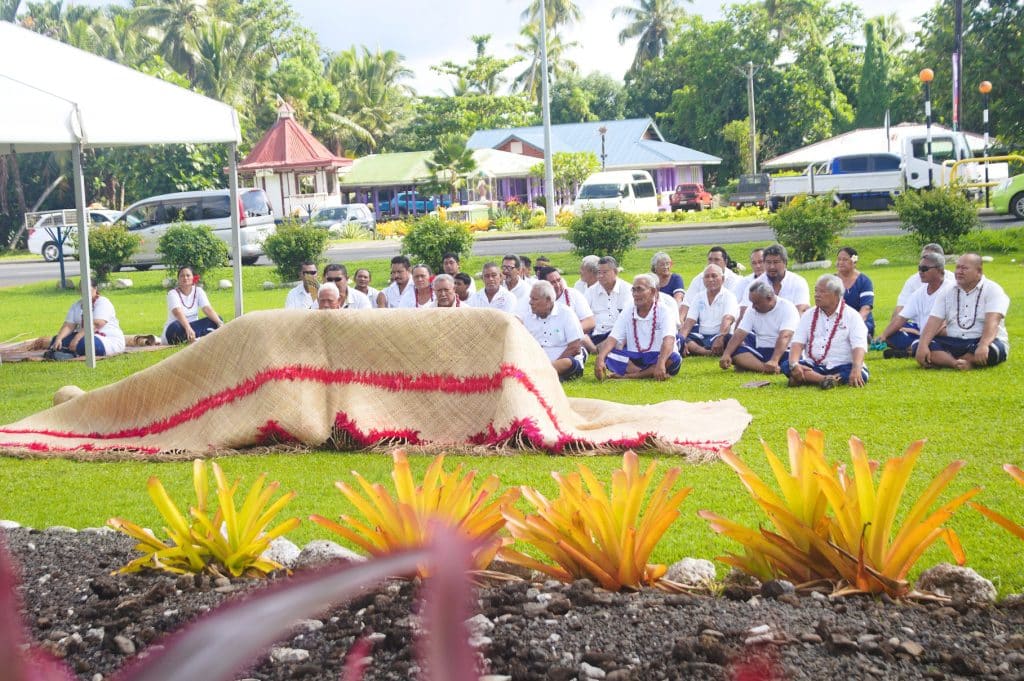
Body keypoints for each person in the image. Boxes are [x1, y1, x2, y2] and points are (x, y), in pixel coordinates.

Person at [915, 253, 1010, 371]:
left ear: (978, 271)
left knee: (994, 350)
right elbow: (934, 320)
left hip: (980, 341)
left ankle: (946, 360)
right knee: (918, 345)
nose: (959, 272)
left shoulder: (993, 290)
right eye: (957, 267)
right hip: (953, 342)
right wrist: (923, 345)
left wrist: (983, 344)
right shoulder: (947, 291)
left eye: (964, 268)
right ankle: (956, 363)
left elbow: (992, 322)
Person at [786, 274, 868, 389]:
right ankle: (825, 380)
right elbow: (797, 343)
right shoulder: (808, 315)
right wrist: (794, 364)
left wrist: (856, 368)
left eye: (822, 292)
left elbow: (858, 346)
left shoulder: (852, 316)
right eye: (816, 291)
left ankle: (808, 378)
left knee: (861, 373)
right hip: (814, 365)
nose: (816, 295)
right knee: (787, 365)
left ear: (836, 295)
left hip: (842, 365)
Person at [594, 273, 681, 381]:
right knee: (608, 354)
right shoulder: (628, 310)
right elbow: (613, 338)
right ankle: (648, 372)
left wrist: (661, 363)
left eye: (640, 290)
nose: (635, 294)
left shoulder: (664, 311)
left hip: (657, 356)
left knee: (674, 358)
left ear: (653, 291)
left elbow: (669, 340)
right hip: (635, 357)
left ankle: (631, 376)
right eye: (633, 290)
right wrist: (600, 358)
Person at [876, 251, 952, 358]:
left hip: (940, 335)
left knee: (945, 332)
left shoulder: (951, 289)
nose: (920, 272)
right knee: (892, 335)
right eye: (919, 268)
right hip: (923, 335)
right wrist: (883, 335)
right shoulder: (918, 294)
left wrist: (924, 338)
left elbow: (947, 323)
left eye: (925, 269)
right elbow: (901, 318)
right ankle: (915, 348)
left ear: (939, 269)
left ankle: (912, 350)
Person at [719, 281, 798, 375]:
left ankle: (758, 365)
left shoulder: (787, 307)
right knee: (730, 341)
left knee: (791, 362)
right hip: (759, 349)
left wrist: (774, 360)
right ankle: (765, 368)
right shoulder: (752, 309)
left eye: (756, 303)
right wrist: (726, 354)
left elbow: (785, 336)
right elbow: (740, 333)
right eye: (752, 303)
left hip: (783, 351)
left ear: (769, 298)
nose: (753, 306)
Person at [520, 280, 586, 382]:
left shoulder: (566, 313)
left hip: (562, 363)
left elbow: (575, 348)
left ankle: (540, 375)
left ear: (548, 300)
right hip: (536, 363)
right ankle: (541, 375)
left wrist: (554, 363)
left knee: (567, 362)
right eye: (530, 298)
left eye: (534, 299)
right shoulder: (527, 317)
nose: (530, 302)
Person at [48, 283, 125, 358]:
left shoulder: (103, 302)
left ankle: (67, 353)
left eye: (87, 289)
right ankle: (67, 352)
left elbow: (96, 324)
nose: (84, 292)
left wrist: (76, 339)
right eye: (82, 289)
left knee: (86, 344)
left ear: (95, 289)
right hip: (83, 336)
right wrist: (59, 339)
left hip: (106, 339)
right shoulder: (76, 305)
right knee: (56, 340)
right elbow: (68, 326)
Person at [679, 264, 739, 357]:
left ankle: (699, 350)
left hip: (721, 335)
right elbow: (690, 321)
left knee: (730, 339)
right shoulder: (698, 297)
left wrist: (720, 337)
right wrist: (681, 340)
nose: (710, 279)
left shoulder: (729, 296)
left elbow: (727, 319)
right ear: (703, 281)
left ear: (722, 279)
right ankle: (705, 351)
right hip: (701, 337)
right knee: (680, 337)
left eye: (714, 276)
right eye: (707, 277)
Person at [163, 266, 224, 344]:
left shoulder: (198, 291)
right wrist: (188, 328)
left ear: (193, 278)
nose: (185, 278)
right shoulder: (172, 293)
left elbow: (207, 308)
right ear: (178, 279)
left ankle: (192, 338)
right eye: (182, 276)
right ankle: (203, 335)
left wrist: (220, 323)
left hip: (194, 328)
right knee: (175, 327)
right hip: (178, 328)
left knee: (217, 319)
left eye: (188, 275)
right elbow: (177, 312)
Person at [679, 246, 741, 321]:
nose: (712, 263)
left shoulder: (735, 280)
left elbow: (731, 309)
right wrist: (680, 321)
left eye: (717, 260)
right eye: (710, 260)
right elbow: (687, 303)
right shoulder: (699, 278)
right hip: (701, 321)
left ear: (725, 262)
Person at [748, 244, 810, 314]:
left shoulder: (798, 282)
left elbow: (801, 310)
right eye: (768, 262)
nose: (772, 266)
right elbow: (746, 311)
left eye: (776, 262)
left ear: (785, 263)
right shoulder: (755, 285)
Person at [585, 256, 632, 347]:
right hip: (597, 335)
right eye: (598, 272)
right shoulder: (591, 291)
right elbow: (584, 315)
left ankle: (601, 348)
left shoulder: (628, 290)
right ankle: (601, 347)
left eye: (605, 272)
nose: (600, 276)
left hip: (619, 334)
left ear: (615, 272)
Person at [835, 246, 875, 338]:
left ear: (854, 262)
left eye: (845, 260)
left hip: (860, 321)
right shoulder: (831, 281)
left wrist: (853, 324)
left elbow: (865, 309)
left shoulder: (864, 281)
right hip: (837, 321)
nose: (840, 262)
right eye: (839, 259)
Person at [732, 247, 766, 320]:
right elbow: (733, 301)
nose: (757, 266)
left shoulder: (775, 281)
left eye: (760, 262)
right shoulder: (744, 281)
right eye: (754, 263)